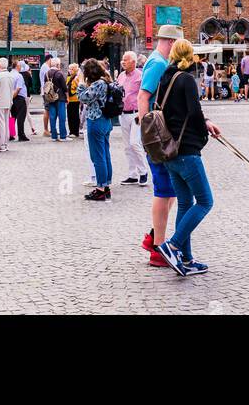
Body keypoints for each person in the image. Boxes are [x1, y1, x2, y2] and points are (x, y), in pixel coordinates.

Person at [154, 40, 221, 277]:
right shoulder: (186, 80)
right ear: (191, 56)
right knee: (205, 202)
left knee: (185, 203)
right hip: (187, 151)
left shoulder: (165, 79)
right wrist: (204, 134)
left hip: (169, 150)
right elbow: (194, 112)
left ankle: (187, 258)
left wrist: (205, 123)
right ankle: (172, 246)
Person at [137, 25, 183, 267]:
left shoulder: (157, 60)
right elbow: (143, 96)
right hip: (156, 136)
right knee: (164, 190)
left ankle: (155, 235)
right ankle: (158, 248)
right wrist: (147, 130)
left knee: (170, 189)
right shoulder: (158, 63)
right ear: (171, 43)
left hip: (159, 134)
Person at [78, 58, 113, 201]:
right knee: (105, 154)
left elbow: (84, 98)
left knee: (97, 156)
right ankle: (106, 185)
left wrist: (80, 82)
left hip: (96, 120)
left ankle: (100, 188)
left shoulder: (98, 84)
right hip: (105, 120)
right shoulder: (106, 81)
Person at [117, 50, 149, 186]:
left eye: (125, 59)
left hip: (136, 114)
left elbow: (146, 96)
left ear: (134, 62)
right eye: (122, 59)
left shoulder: (141, 76)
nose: (123, 62)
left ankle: (143, 171)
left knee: (135, 143)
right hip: (123, 113)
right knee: (127, 146)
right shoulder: (121, 76)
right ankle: (132, 174)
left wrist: (142, 114)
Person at [0, 57, 13, 151]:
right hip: (8, 101)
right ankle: (5, 143)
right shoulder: (10, 75)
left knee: (0, 124)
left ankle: (1, 144)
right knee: (6, 123)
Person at [46, 56, 68, 141]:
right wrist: (67, 96)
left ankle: (54, 136)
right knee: (62, 117)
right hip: (60, 97)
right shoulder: (59, 73)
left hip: (51, 97)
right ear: (58, 64)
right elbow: (64, 87)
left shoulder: (47, 73)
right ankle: (63, 136)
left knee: (52, 117)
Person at [9, 59, 30, 141]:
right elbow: (18, 89)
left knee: (12, 117)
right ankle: (21, 135)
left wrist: (10, 98)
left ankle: (11, 134)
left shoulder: (10, 74)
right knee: (21, 117)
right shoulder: (19, 76)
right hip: (19, 98)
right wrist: (13, 97)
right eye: (20, 65)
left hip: (11, 97)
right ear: (17, 66)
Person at [66, 62, 81, 137]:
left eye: (72, 69)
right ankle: (71, 131)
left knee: (75, 115)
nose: (70, 70)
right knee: (69, 115)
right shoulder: (68, 78)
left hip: (75, 99)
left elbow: (80, 86)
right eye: (69, 69)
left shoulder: (77, 77)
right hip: (69, 99)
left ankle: (75, 132)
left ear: (75, 70)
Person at [39, 53, 52, 136]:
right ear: (49, 59)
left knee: (48, 110)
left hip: (45, 91)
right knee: (47, 110)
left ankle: (48, 129)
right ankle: (46, 130)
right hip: (46, 91)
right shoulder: (46, 67)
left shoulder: (44, 66)